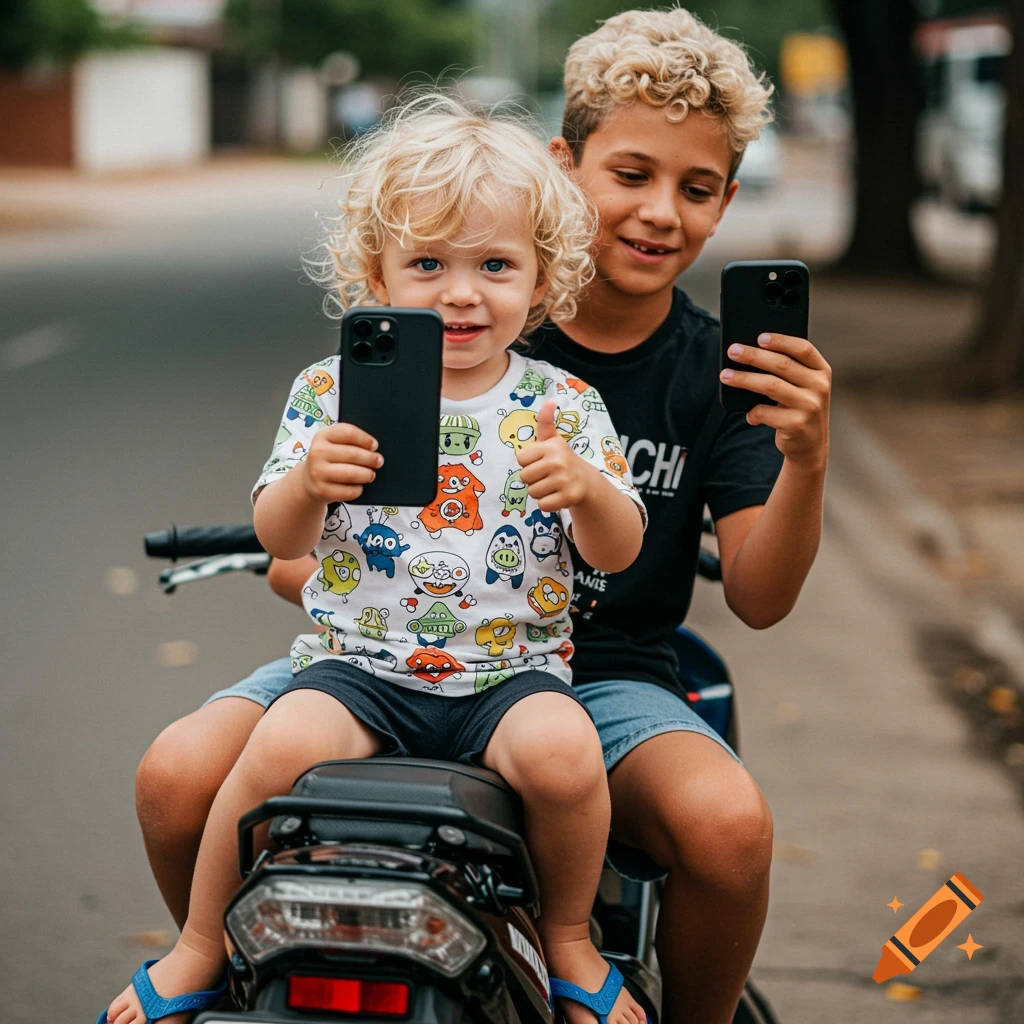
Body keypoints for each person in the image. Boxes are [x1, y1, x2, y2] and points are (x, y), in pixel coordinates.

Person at [134, 10, 832, 1023]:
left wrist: (805, 457)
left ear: (726, 201)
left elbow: (760, 596)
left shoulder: (693, 375)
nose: (658, 214)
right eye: (630, 174)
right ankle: (238, 961)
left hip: (583, 671)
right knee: (172, 777)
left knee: (728, 828)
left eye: (697, 187)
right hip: (368, 653)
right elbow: (306, 544)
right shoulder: (429, 321)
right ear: (564, 166)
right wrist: (309, 536)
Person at [100, 97, 649, 1024]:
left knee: (566, 758)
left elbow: (618, 550)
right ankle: (201, 943)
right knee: (276, 749)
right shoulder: (328, 392)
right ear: (376, 274)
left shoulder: (565, 402)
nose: (462, 292)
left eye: (495, 266)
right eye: (428, 264)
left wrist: (586, 489)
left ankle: (566, 938)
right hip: (360, 669)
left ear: (543, 278)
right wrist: (312, 480)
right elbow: (282, 539)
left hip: (511, 675)